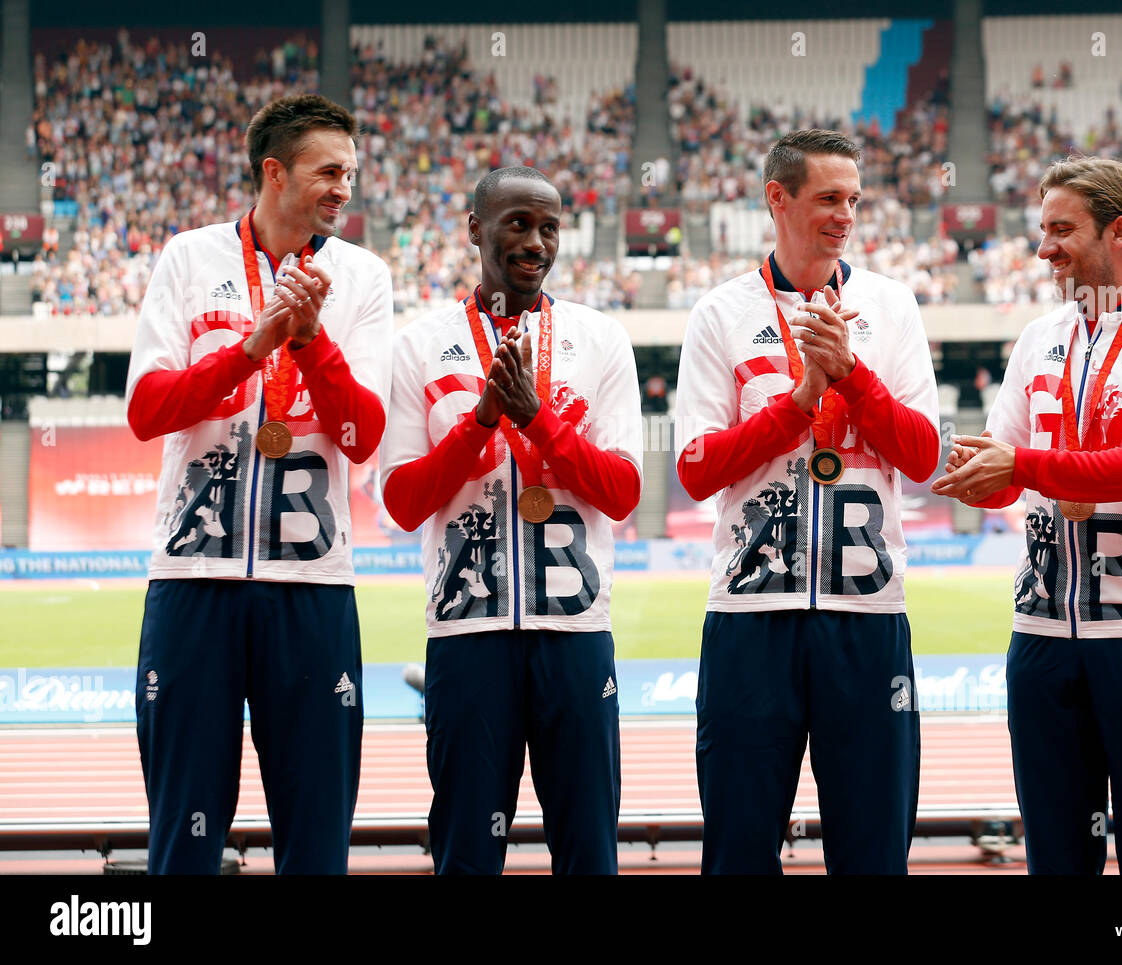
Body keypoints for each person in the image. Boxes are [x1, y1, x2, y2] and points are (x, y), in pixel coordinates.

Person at [931, 155, 1122, 874]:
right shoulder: (1039, 337)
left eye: (1061, 230)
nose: (1043, 248)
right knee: (1056, 858)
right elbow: (1005, 472)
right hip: (1039, 634)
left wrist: (1023, 465)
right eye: (1042, 230)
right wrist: (974, 475)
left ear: (1118, 231)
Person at [125, 93, 393, 874]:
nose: (345, 186)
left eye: (351, 171)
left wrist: (310, 346)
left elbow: (362, 435)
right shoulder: (188, 258)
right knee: (185, 835)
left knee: (315, 844)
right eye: (329, 171)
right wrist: (248, 349)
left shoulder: (362, 277)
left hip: (311, 585)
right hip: (192, 581)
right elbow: (146, 411)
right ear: (274, 172)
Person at [673, 129, 941, 874]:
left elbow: (923, 456)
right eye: (829, 198)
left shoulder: (891, 306)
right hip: (750, 618)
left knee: (873, 850)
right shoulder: (720, 313)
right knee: (739, 849)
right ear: (777, 198)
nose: (845, 214)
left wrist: (854, 377)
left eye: (854, 199)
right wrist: (797, 404)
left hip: (868, 614)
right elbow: (695, 470)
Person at [379, 166, 642, 875]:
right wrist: (479, 424)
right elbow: (401, 502)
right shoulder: (418, 345)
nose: (535, 241)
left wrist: (539, 420)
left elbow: (622, 493)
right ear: (475, 230)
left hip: (576, 633)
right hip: (468, 635)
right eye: (517, 223)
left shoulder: (601, 339)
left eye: (549, 226)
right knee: (467, 849)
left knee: (589, 849)